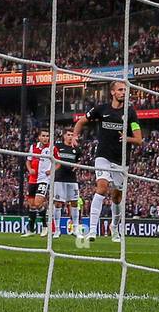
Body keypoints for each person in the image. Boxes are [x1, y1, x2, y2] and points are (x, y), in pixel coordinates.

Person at [72, 81, 141, 243]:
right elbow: (81, 121)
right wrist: (75, 135)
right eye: (120, 90)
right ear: (112, 92)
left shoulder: (130, 113)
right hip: (102, 156)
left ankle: (114, 228)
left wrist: (127, 138)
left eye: (125, 90)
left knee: (117, 197)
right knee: (102, 187)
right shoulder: (101, 109)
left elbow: (139, 140)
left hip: (121, 160)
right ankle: (92, 231)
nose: (124, 92)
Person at [51, 128, 84, 236]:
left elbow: (80, 160)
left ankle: (75, 228)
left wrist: (77, 166)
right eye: (68, 134)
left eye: (72, 135)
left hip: (72, 179)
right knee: (58, 203)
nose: (70, 137)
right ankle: (57, 229)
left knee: (74, 202)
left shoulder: (76, 149)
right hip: (59, 178)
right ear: (64, 136)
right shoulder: (58, 147)